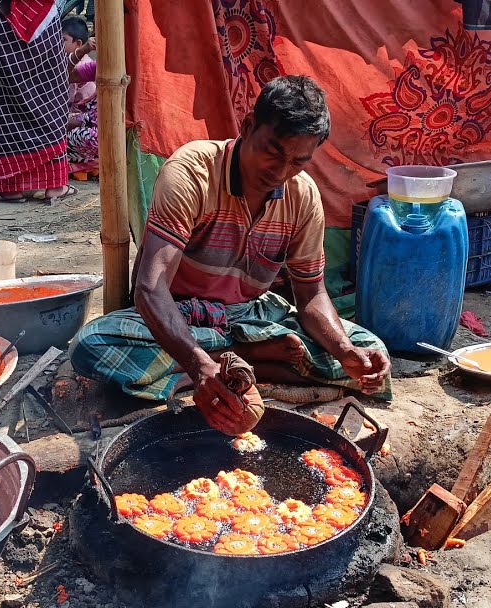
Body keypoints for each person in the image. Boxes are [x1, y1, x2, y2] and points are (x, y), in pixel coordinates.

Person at [71, 76, 392, 434]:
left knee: (369, 347)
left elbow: (312, 296)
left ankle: (235, 357)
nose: (280, 172)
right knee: (92, 345)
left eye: (297, 162)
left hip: (251, 316)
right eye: (272, 152)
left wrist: (346, 351)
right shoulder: (193, 172)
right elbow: (149, 289)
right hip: (181, 313)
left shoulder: (302, 196)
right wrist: (197, 365)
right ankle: (244, 357)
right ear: (248, 126)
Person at [0, 0, 76, 204]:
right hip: (39, 15)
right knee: (49, 95)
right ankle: (55, 185)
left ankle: (11, 188)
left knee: (3, 99)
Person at [63, 18, 97, 179]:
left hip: (101, 133)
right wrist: (82, 51)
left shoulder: (133, 67)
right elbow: (65, 76)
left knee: (55, 138)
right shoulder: (95, 66)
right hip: (89, 120)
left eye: (62, 40)